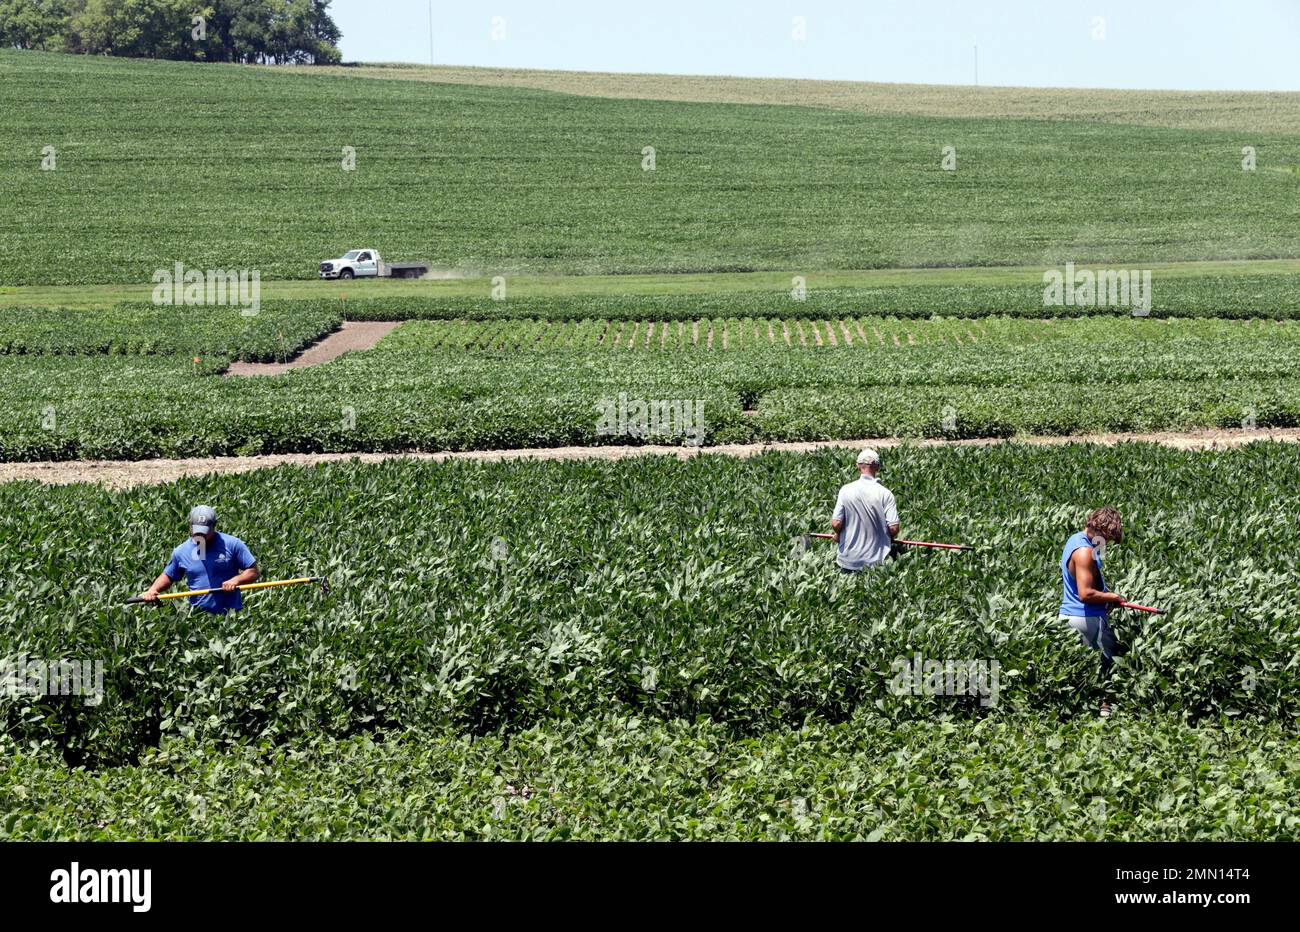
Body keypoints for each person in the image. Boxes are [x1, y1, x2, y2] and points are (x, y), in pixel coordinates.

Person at [1059, 506, 1128, 716]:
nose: (1107, 544)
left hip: (1069, 617)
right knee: (1106, 663)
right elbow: (1086, 594)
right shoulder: (1085, 553)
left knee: (1078, 667)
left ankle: (1075, 712)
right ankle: (1104, 711)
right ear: (1102, 531)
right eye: (1108, 539)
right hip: (1087, 619)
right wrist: (1113, 597)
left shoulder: (1075, 540)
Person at [138, 506, 259, 615]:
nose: (200, 535)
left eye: (204, 531)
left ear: (214, 525)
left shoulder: (232, 544)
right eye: (197, 531)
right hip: (199, 617)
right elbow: (169, 575)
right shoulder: (181, 551)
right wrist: (153, 589)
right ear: (190, 525)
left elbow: (253, 572)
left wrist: (236, 580)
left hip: (231, 615)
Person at [830, 448, 900, 572]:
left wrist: (838, 534)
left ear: (858, 466)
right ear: (877, 467)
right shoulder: (885, 493)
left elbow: (836, 523)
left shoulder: (845, 490)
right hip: (876, 564)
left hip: (847, 562)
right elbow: (893, 529)